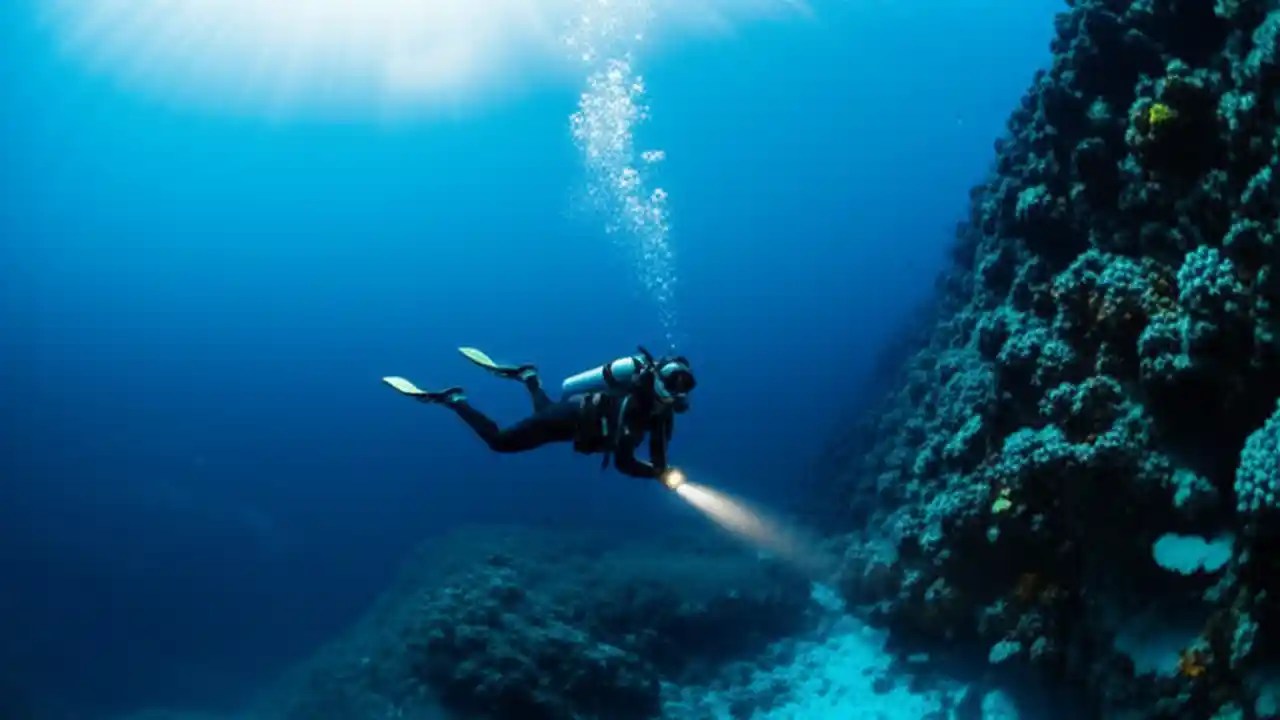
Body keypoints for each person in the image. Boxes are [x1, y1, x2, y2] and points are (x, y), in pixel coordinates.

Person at [382, 346, 695, 483]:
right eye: (671, 391)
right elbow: (624, 462)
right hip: (571, 419)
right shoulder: (638, 407)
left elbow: (657, 450)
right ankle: (455, 399)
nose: (673, 399)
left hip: (576, 425)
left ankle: (530, 377)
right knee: (500, 442)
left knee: (546, 411)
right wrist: (656, 474)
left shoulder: (662, 412)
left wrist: (661, 470)